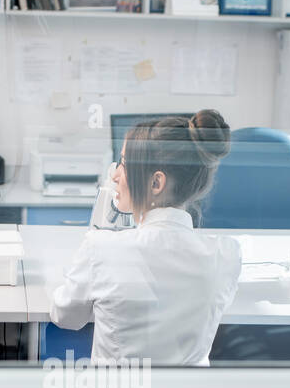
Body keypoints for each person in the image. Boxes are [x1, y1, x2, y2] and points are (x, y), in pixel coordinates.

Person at [49, 110, 241, 366]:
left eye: (125, 164)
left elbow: (66, 317)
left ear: (155, 183)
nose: (115, 175)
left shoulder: (101, 248)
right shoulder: (227, 255)